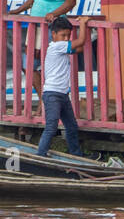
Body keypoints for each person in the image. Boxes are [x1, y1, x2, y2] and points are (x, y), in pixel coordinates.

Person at [8, 0, 77, 136]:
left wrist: (54, 13)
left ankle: (48, 103)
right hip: (36, 27)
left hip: (52, 28)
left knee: (47, 66)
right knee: (28, 66)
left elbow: (71, 2)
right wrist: (19, 10)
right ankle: (43, 99)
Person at [36, 15, 89, 158]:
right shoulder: (56, 46)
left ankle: (76, 154)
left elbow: (78, 49)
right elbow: (81, 41)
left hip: (63, 94)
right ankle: (40, 155)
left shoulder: (61, 47)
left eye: (68, 35)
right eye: (63, 35)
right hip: (52, 94)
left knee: (71, 126)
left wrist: (79, 42)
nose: (66, 38)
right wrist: (83, 24)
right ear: (53, 34)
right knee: (51, 127)